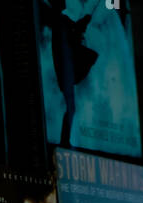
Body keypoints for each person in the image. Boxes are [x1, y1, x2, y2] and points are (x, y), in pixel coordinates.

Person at [39, 0, 99, 146]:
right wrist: (84, 21)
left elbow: (75, 30)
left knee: (71, 106)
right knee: (70, 106)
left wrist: (84, 22)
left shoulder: (61, 21)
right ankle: (65, 140)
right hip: (65, 72)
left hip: (65, 71)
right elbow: (74, 31)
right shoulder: (61, 21)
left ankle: (65, 140)